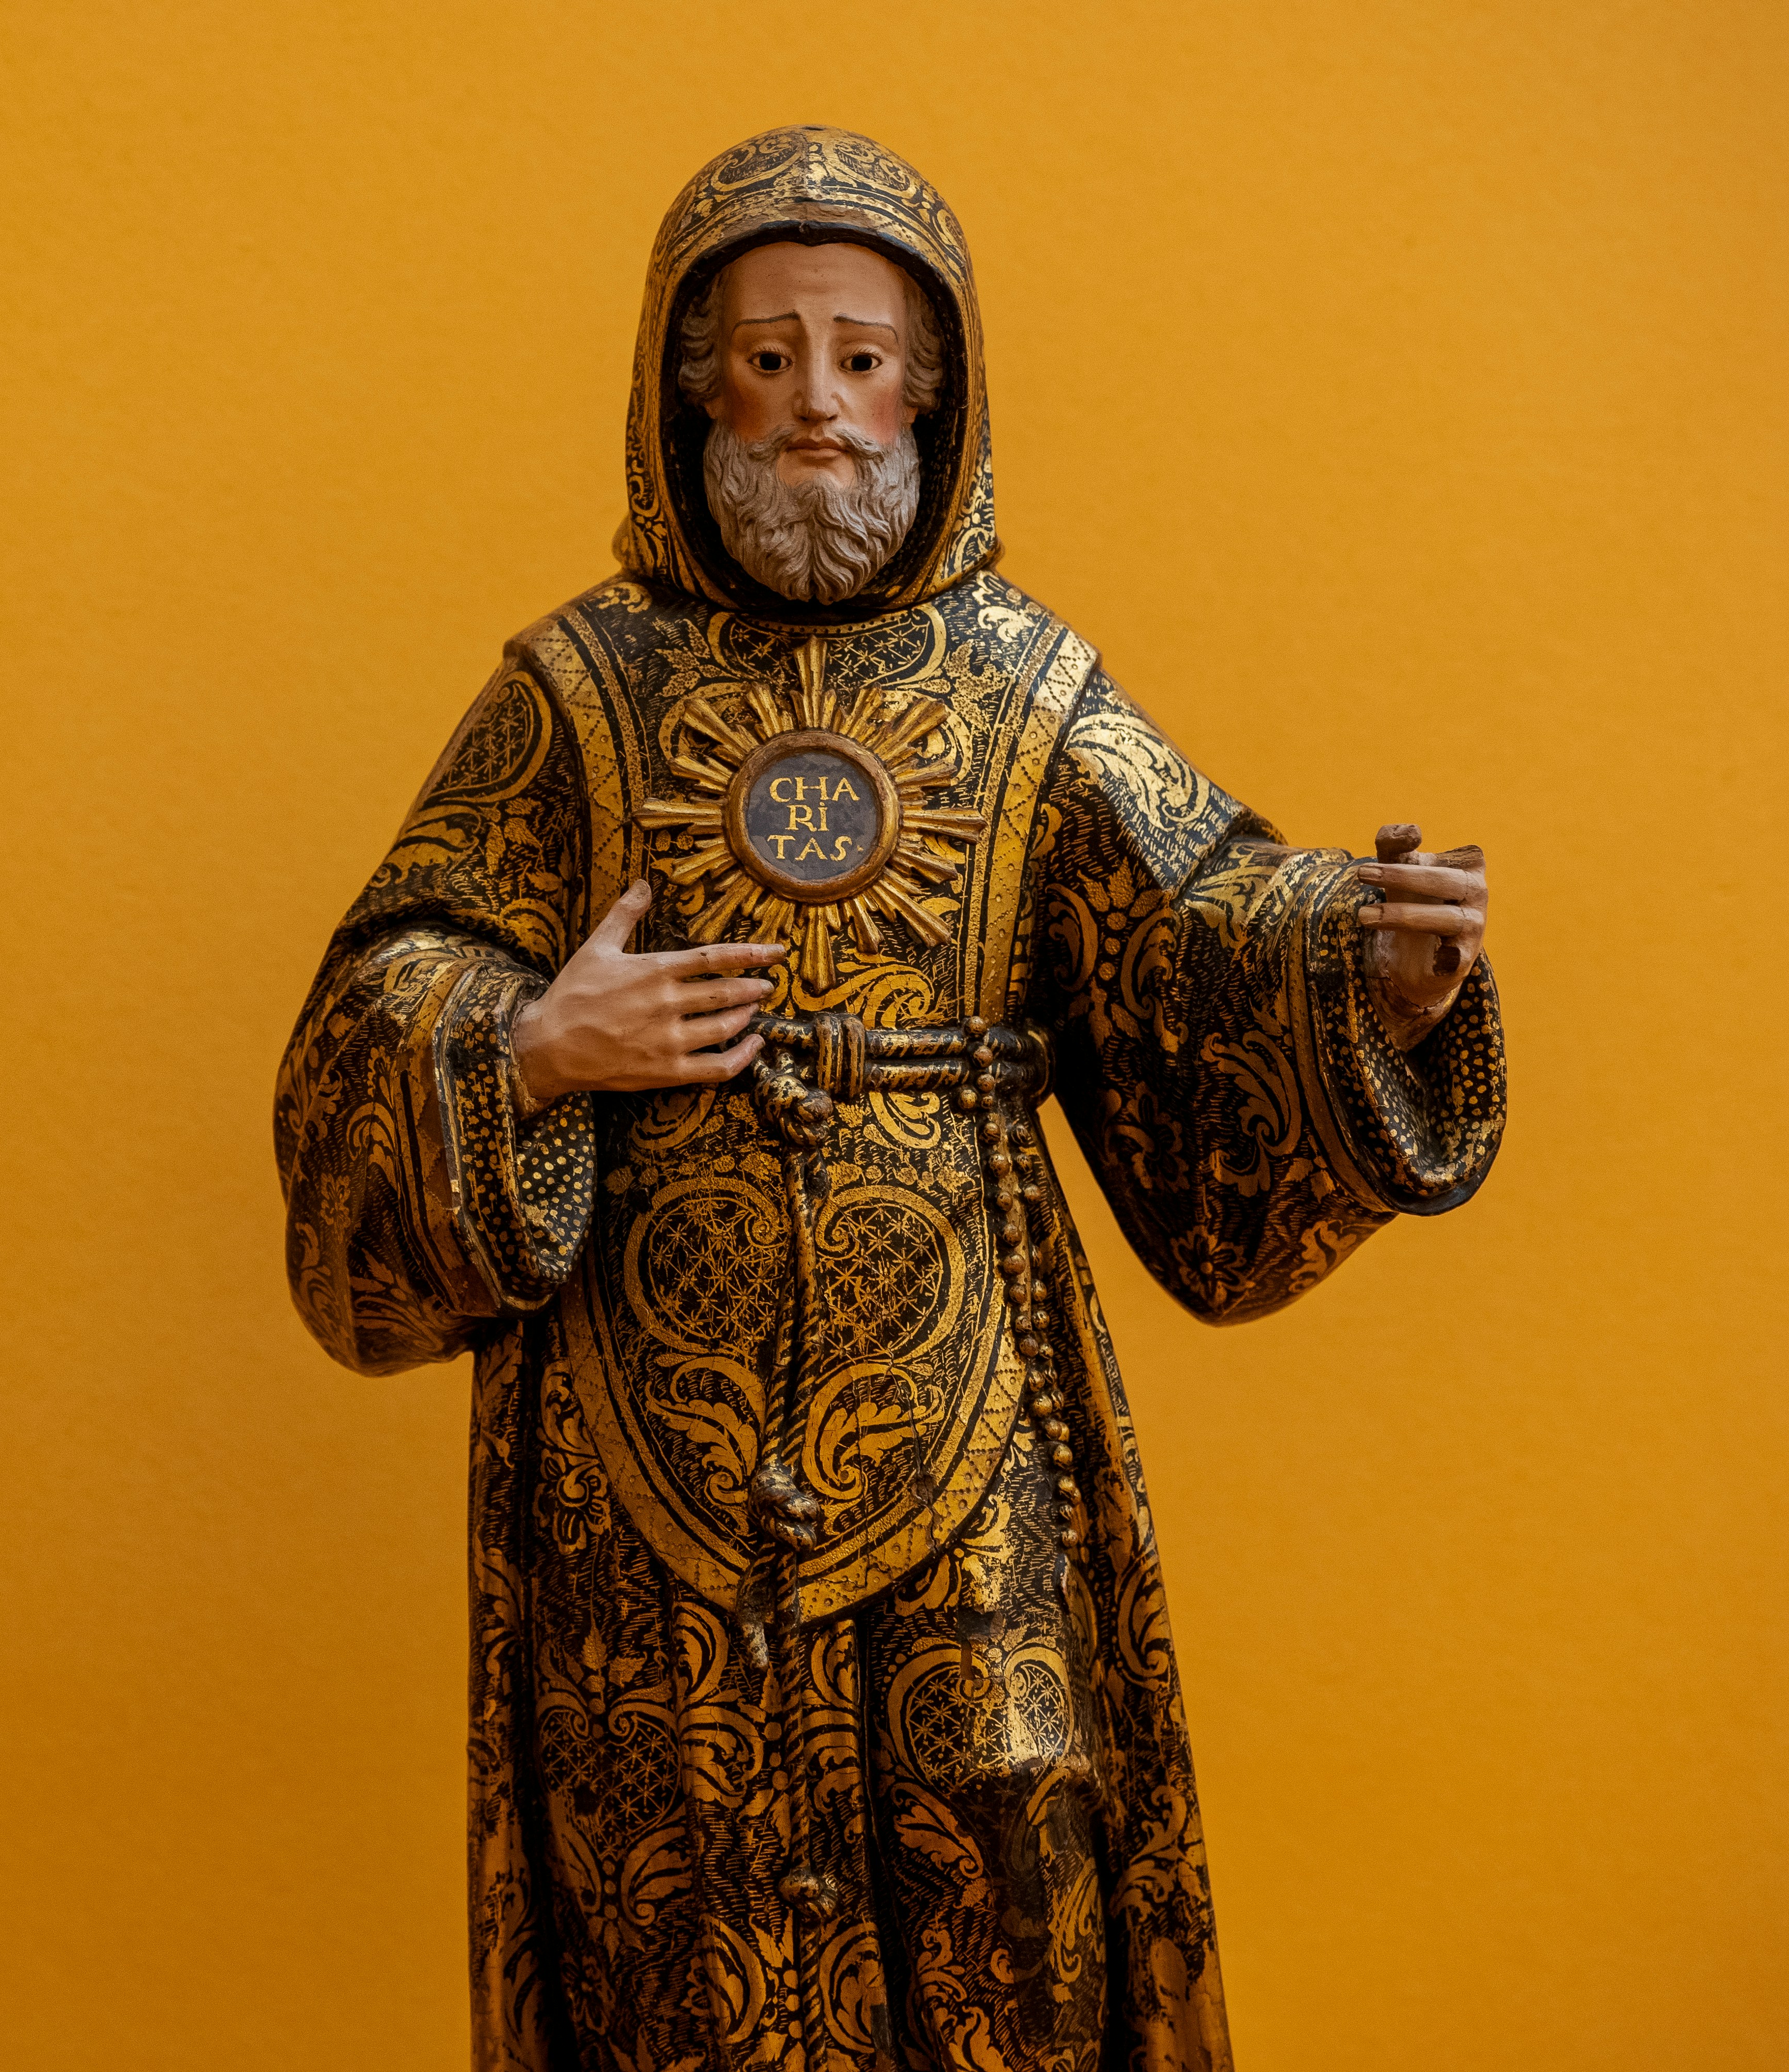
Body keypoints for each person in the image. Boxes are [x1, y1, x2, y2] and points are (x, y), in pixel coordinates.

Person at [276, 125, 1504, 2071]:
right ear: (690, 389)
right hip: (636, 1438)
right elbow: (385, 982)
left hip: (968, 1395)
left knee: (1011, 1844)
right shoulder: (572, 690)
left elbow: (1195, 927)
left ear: (936, 383)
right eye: (767, 359)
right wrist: (523, 1052)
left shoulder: (1029, 689)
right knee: (665, 1861)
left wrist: (1366, 974)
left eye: (861, 358)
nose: (817, 410)